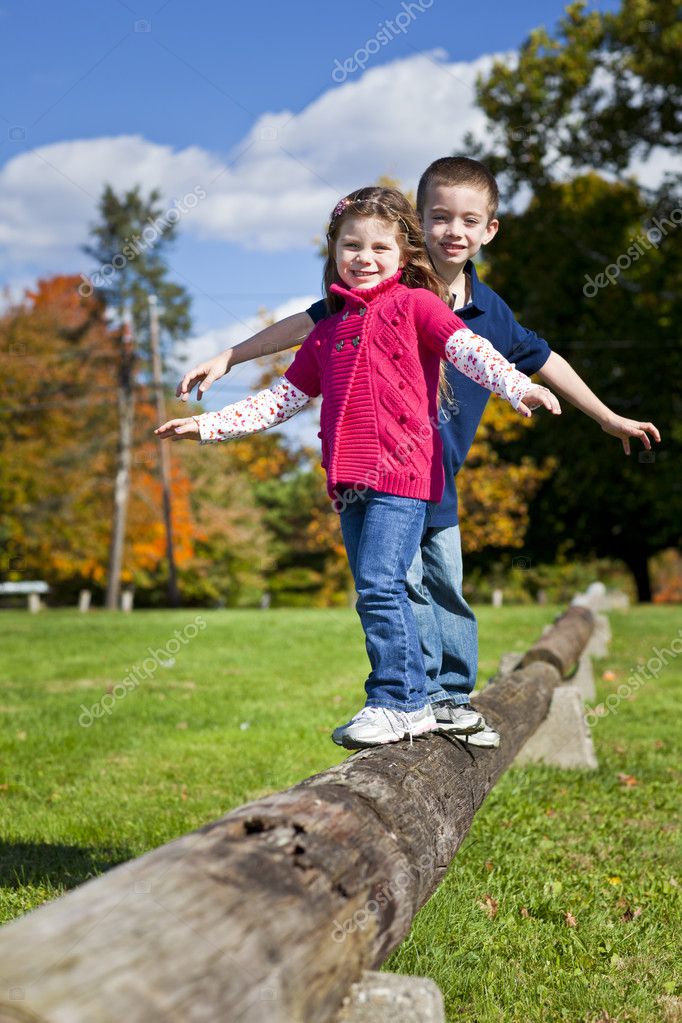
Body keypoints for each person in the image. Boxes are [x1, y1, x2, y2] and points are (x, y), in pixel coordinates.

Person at [173, 158, 660, 749]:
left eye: (468, 220)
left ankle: (443, 698)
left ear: (488, 230)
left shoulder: (471, 308)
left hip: (431, 470)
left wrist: (602, 415)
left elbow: (511, 357)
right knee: (393, 583)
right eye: (439, 217)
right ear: (418, 228)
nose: (453, 230)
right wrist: (228, 362)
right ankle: (415, 697)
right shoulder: (367, 297)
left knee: (438, 585)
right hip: (366, 474)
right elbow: (297, 351)